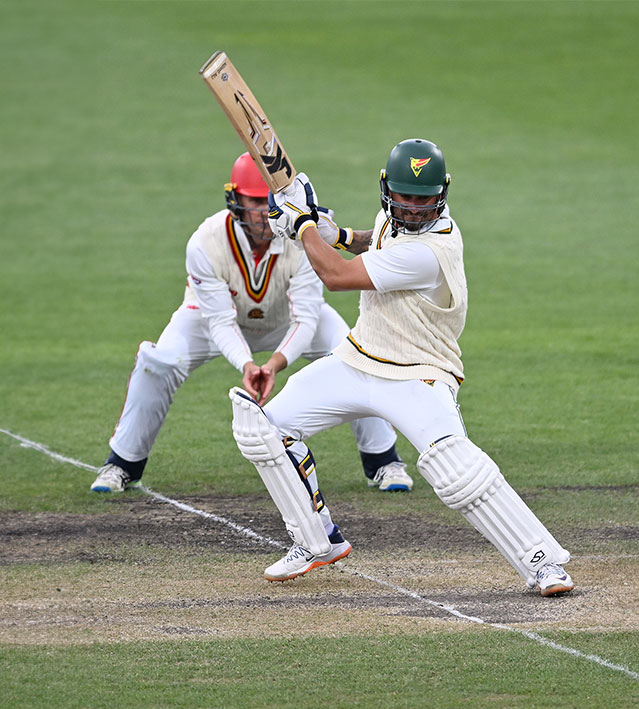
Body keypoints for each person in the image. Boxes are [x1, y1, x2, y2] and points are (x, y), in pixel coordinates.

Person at [228, 139, 575, 596]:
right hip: (358, 358)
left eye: (423, 199)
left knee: (454, 470)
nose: (412, 209)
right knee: (262, 428)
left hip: (418, 372)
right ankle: (316, 541)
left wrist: (304, 227)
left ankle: (544, 561)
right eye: (405, 197)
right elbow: (374, 242)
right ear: (387, 189)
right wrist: (333, 234)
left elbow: (336, 277)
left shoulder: (431, 252)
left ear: (442, 194)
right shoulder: (396, 222)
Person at [92, 153, 414, 494]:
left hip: (288, 320)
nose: (263, 212)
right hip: (208, 319)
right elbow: (218, 320)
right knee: (158, 363)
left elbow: (306, 317)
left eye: (269, 201)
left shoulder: (303, 237)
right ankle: (122, 464)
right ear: (235, 199)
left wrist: (274, 364)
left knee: (356, 352)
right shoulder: (205, 242)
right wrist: (246, 364)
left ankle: (384, 461)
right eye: (254, 201)